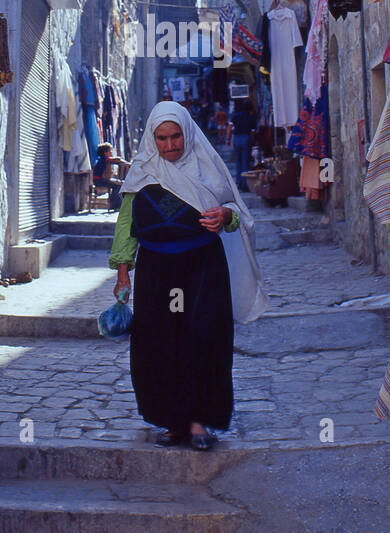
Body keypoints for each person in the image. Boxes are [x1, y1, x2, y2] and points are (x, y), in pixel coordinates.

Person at [108, 102, 268, 450]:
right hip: (156, 273)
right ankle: (172, 421)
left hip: (202, 268)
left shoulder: (206, 167)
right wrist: (123, 274)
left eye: (176, 136)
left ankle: (198, 423)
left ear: (187, 132)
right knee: (159, 344)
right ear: (153, 139)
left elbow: (238, 213)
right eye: (162, 138)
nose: (169, 145)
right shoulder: (142, 170)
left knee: (203, 339)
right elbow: (126, 226)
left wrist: (225, 215)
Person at [92, 142, 129, 210]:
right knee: (118, 186)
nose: (111, 152)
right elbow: (117, 159)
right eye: (110, 151)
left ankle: (114, 203)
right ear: (105, 152)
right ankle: (115, 204)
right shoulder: (105, 159)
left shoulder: (102, 159)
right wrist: (127, 163)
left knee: (117, 184)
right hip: (100, 180)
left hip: (98, 180)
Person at [230, 99, 256, 190]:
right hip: (246, 138)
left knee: (238, 161)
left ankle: (238, 182)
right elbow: (253, 132)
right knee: (245, 161)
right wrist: (252, 142)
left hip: (236, 138)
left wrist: (228, 139)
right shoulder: (251, 117)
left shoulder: (235, 116)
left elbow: (230, 127)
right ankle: (245, 184)